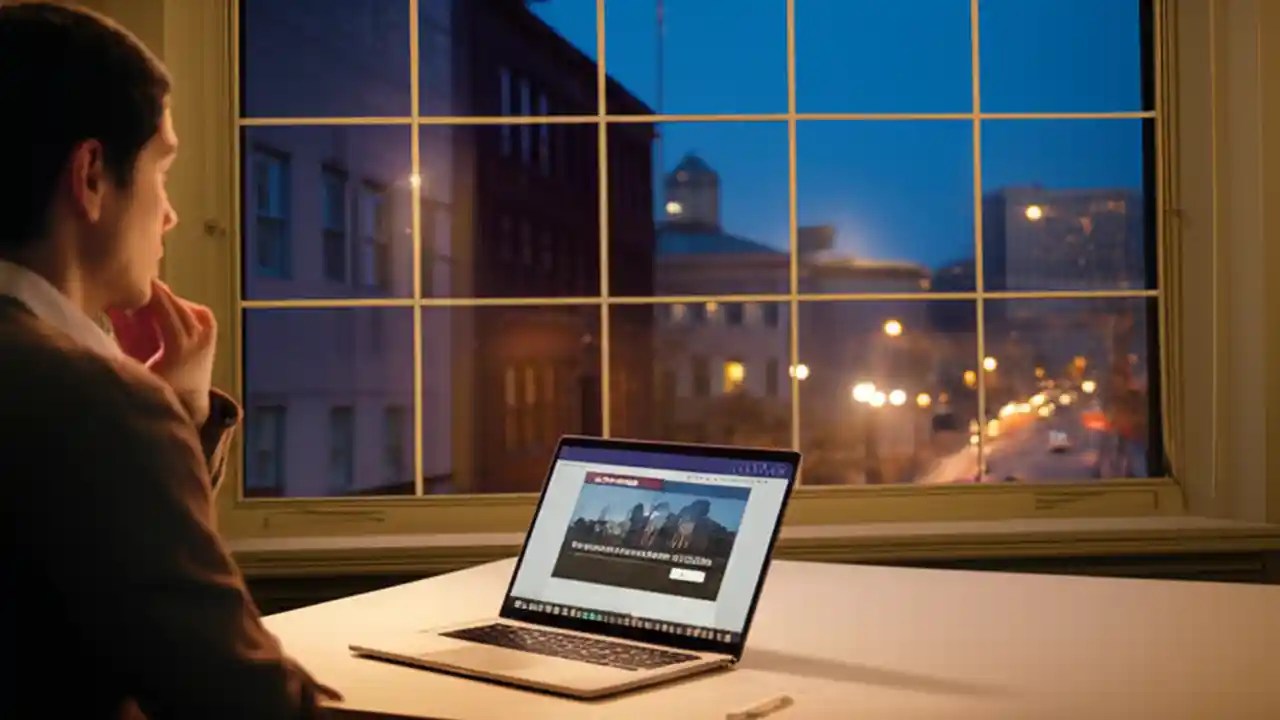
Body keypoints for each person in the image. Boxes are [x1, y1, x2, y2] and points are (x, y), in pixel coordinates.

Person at [0, 3, 338, 718]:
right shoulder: (91, 403)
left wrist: (178, 417)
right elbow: (241, 701)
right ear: (91, 175)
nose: (173, 215)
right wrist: (138, 411)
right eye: (163, 168)